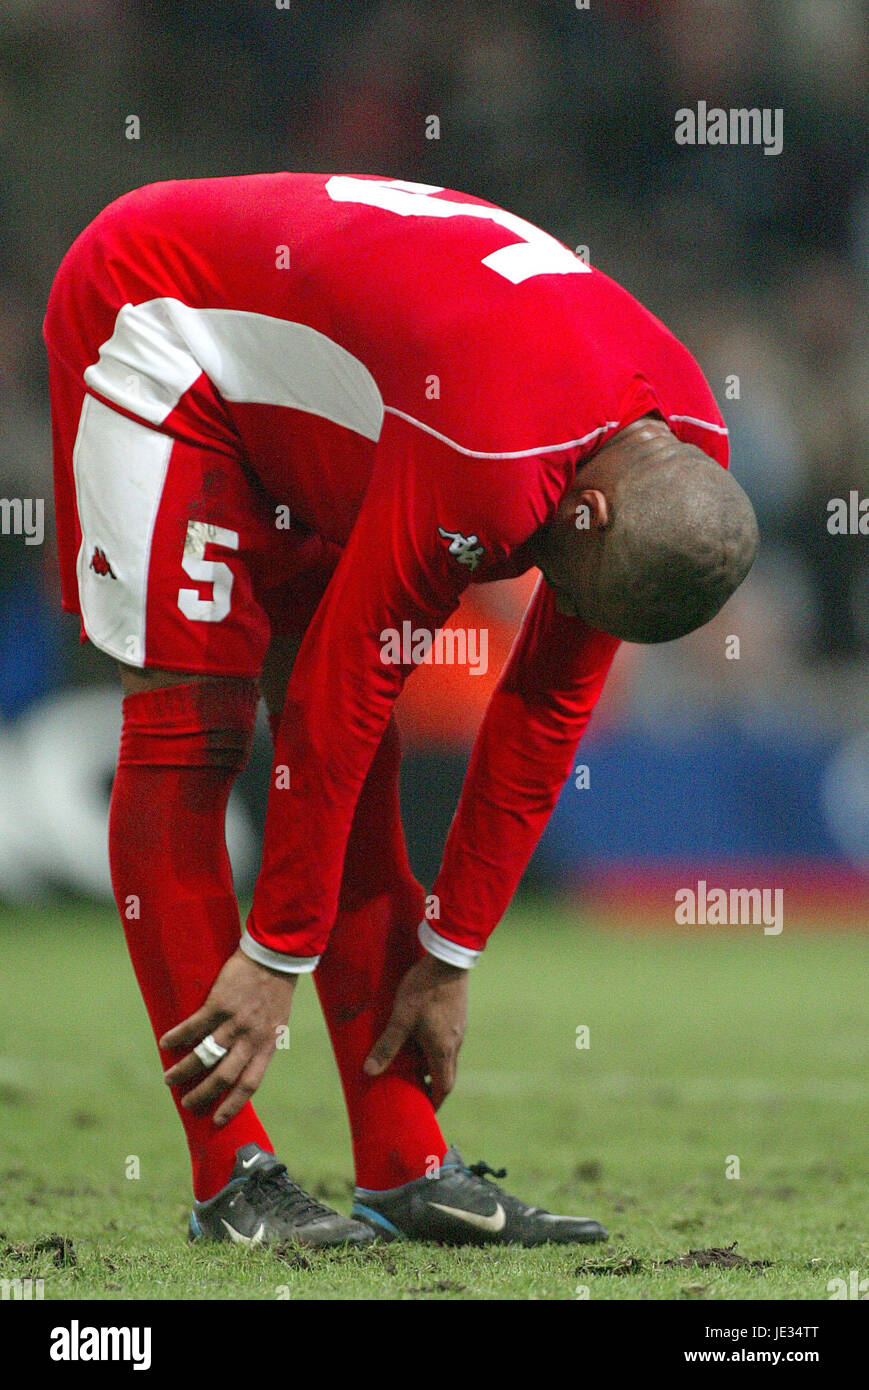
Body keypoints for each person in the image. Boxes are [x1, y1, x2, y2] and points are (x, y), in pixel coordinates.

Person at [44, 173, 758, 1247]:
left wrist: (454, 945)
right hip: (165, 327)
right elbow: (343, 685)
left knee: (356, 765)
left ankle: (402, 1160)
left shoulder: (677, 458)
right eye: (562, 584)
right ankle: (229, 1178)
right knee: (197, 735)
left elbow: (542, 714)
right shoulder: (493, 456)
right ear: (591, 509)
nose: (554, 602)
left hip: (330, 389)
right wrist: (274, 952)